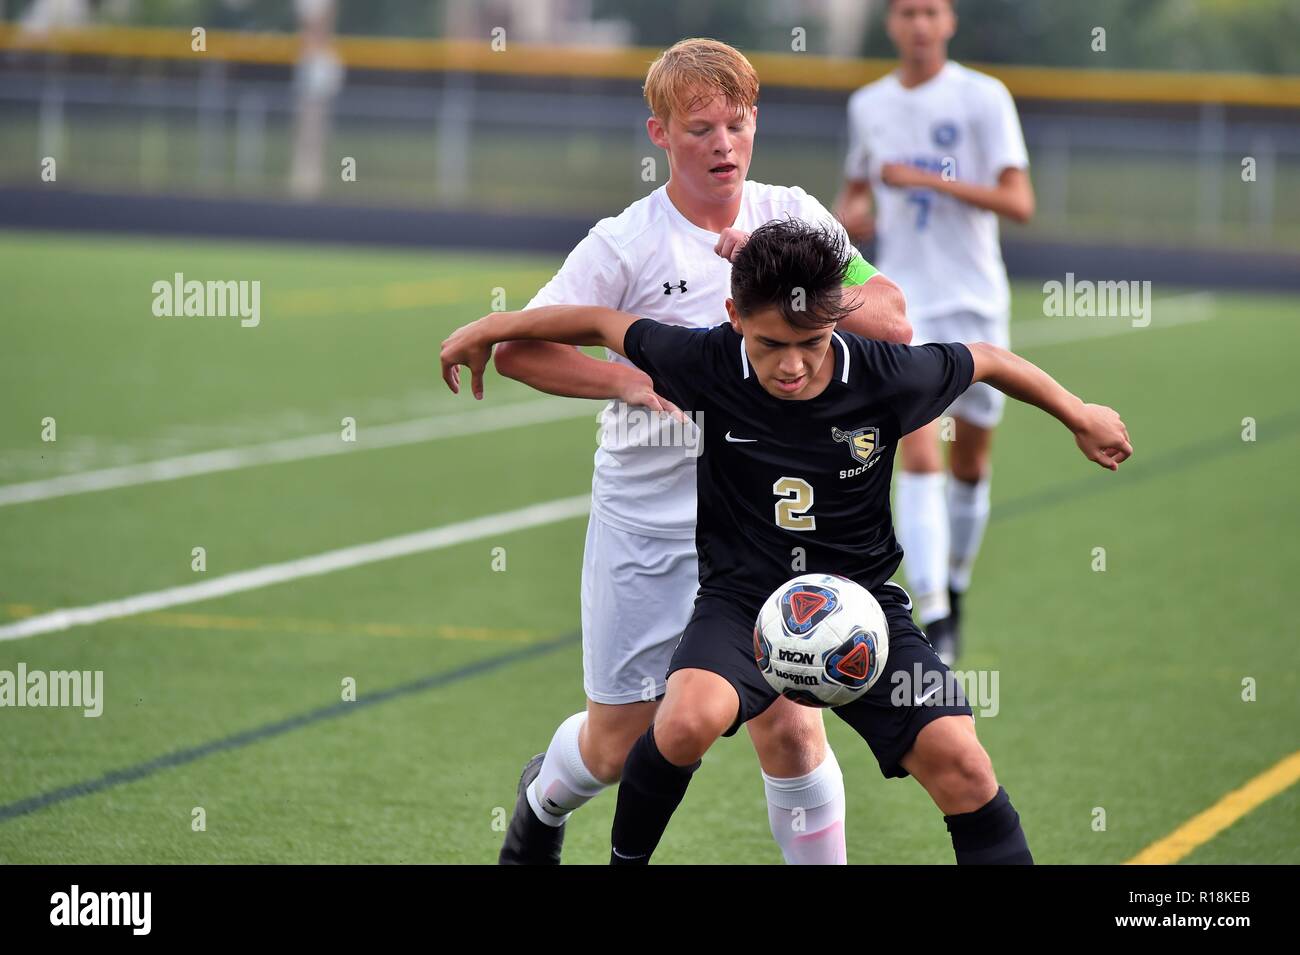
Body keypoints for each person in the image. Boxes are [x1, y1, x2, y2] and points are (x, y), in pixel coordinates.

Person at [440, 217, 1131, 864]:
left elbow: (986, 358)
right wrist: (494, 326)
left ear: (834, 319)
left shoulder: (886, 377)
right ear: (735, 318)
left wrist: (1079, 413)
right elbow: (600, 320)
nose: (794, 364)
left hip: (865, 609)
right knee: (681, 723)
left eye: (812, 342)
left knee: (964, 763)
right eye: (772, 344)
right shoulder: (707, 361)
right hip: (739, 602)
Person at [486, 38, 910, 865]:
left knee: (790, 721)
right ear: (660, 134)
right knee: (616, 746)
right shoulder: (623, 244)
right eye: (700, 128)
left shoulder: (793, 217)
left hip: (765, 524)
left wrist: (785, 277)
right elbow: (520, 350)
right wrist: (627, 385)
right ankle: (542, 800)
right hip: (650, 522)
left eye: (738, 123)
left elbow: (893, 316)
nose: (723, 144)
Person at [834, 0, 1035, 663]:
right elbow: (855, 195)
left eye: (930, 11)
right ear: (891, 24)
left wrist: (926, 179)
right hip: (904, 306)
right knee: (918, 454)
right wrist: (855, 218)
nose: (919, 24)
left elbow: (1019, 203)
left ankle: (955, 581)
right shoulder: (869, 104)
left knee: (970, 462)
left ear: (949, 22)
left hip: (975, 301)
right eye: (906, 12)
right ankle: (935, 615)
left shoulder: (984, 97)